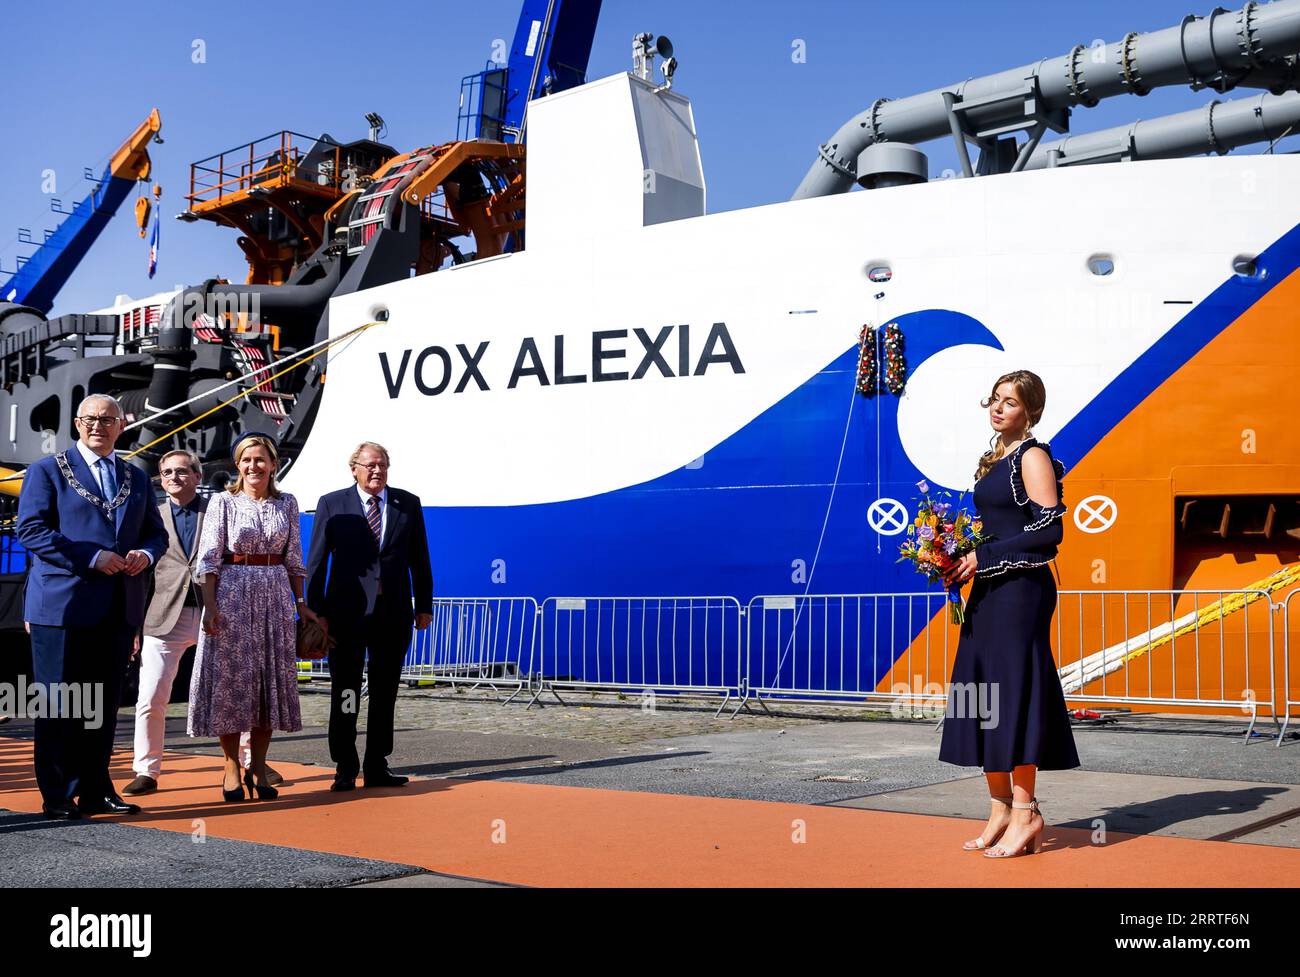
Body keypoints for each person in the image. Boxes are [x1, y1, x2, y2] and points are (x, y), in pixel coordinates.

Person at [938, 370, 1080, 858]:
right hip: (988, 590)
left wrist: (985, 557)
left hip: (1021, 591)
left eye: (1011, 403)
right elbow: (994, 528)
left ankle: (1027, 812)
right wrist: (954, 556)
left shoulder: (1033, 456)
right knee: (980, 693)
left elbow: (1049, 531)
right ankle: (999, 806)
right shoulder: (992, 460)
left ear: (1030, 411)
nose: (999, 409)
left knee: (1012, 694)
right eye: (995, 400)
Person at [16, 394, 168, 820]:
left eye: (107, 419)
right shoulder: (48, 470)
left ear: (122, 425)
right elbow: (30, 529)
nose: (97, 425)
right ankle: (59, 793)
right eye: (89, 419)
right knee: (60, 703)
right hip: (61, 607)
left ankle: (97, 789)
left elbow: (157, 534)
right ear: (77, 424)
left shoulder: (136, 477)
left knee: (102, 705)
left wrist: (146, 554)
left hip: (118, 607)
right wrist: (91, 556)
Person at [123, 450, 281, 795]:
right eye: (166, 472)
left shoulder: (223, 509)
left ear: (198, 476)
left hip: (221, 613)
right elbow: (141, 576)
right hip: (164, 617)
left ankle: (248, 763)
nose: (174, 477)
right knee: (151, 696)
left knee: (237, 691)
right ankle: (146, 770)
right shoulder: (151, 518)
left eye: (182, 471)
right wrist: (134, 625)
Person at [187, 433, 315, 802]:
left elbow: (294, 559)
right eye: (246, 460)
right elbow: (209, 558)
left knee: (266, 685)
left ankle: (258, 767)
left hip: (275, 597)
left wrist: (300, 602)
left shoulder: (287, 503)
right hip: (232, 596)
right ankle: (229, 766)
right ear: (237, 465)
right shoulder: (223, 502)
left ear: (273, 464)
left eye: (260, 460)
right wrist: (210, 607)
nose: (253, 466)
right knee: (231, 684)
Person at [306, 441, 432, 791]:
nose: (377, 471)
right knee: (346, 690)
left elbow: (420, 559)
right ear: (354, 468)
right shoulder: (332, 503)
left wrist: (424, 605)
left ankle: (377, 764)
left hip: (392, 615)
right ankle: (345, 764)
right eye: (370, 465)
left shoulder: (407, 503)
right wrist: (315, 612)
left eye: (382, 465)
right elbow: (316, 562)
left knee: (384, 691)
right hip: (345, 616)